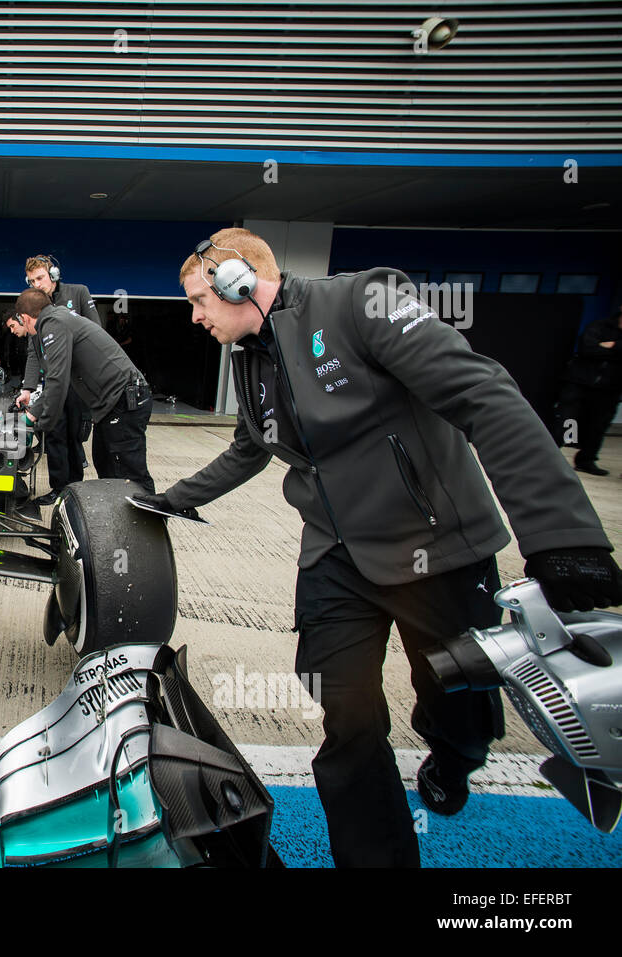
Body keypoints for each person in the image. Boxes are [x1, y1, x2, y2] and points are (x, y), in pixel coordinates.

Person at [132, 227, 622, 867]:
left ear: (240, 282)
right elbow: (250, 449)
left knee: (457, 703)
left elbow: (485, 393)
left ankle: (456, 756)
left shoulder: (365, 302)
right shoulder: (249, 360)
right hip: (335, 558)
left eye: (200, 299)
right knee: (348, 722)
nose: (194, 317)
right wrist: (174, 498)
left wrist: (563, 536)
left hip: (437, 551)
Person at [10, 287, 153, 494]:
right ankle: (121, 519)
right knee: (106, 465)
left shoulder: (53, 323)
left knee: (129, 473)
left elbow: (57, 379)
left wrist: (37, 423)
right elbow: (57, 379)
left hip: (124, 399)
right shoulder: (58, 317)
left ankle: (148, 522)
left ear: (25, 317)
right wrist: (35, 414)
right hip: (111, 405)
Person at [17, 255, 102, 503]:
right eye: (32, 280)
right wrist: (27, 388)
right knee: (53, 434)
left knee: (74, 436)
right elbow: (34, 352)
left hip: (77, 382)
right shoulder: (35, 306)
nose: (37, 284)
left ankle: (75, 490)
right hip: (53, 381)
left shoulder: (78, 293)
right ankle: (58, 488)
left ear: (53, 274)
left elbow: (95, 332)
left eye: (41, 278)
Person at [554, 305, 622, 475]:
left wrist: (612, 345)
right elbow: (588, 348)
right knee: (567, 421)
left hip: (609, 388)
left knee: (597, 426)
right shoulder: (600, 326)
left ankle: (586, 460)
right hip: (580, 383)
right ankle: (548, 456)